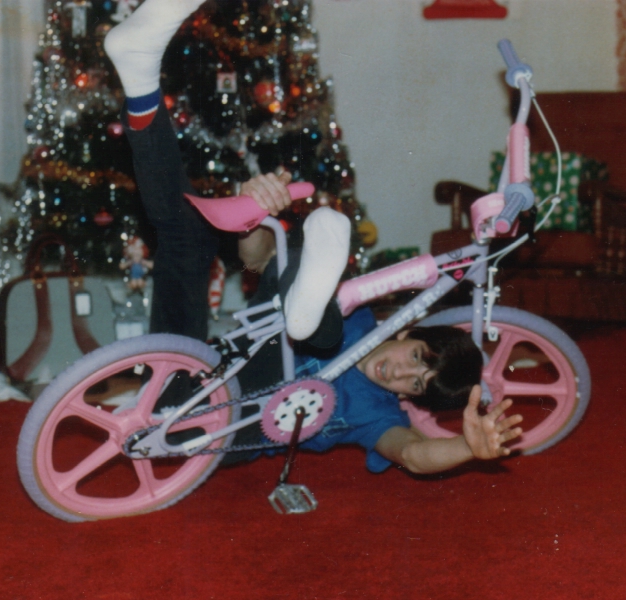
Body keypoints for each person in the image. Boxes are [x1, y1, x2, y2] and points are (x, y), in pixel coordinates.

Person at [105, 0, 524, 475]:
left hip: (197, 428)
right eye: (415, 357)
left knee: (311, 322)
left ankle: (308, 307)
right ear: (406, 333)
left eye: (414, 385)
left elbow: (411, 453)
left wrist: (468, 448)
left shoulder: (373, 413)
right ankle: (139, 74)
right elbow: (257, 261)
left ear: (410, 400)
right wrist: (256, 216)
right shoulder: (360, 316)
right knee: (191, 237)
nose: (401, 373)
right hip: (196, 365)